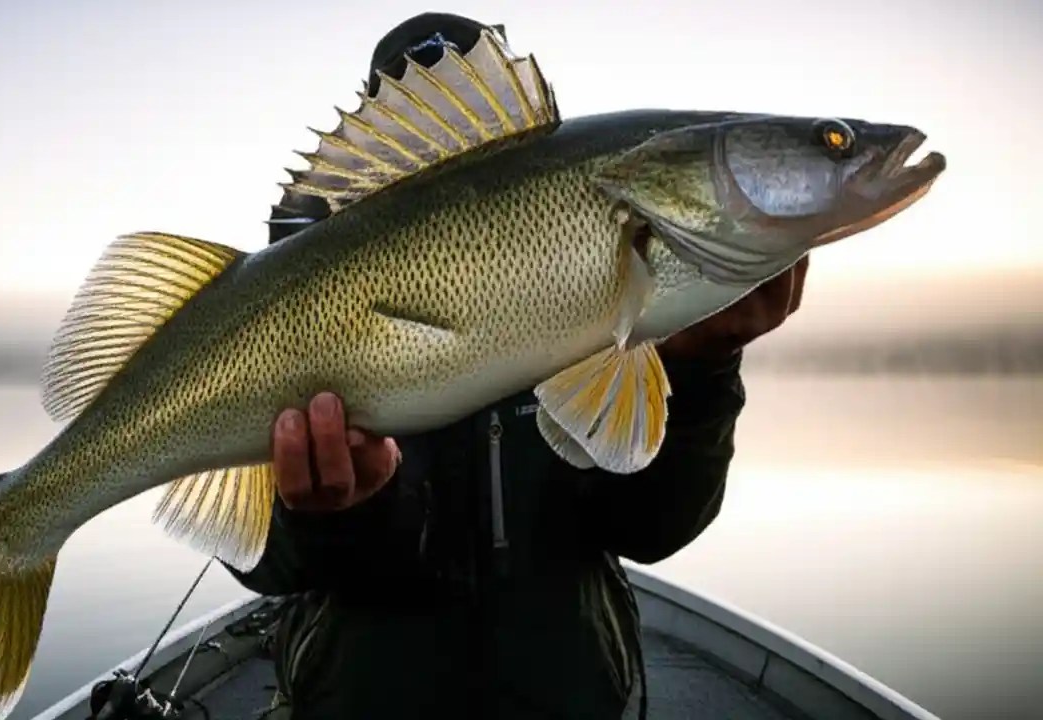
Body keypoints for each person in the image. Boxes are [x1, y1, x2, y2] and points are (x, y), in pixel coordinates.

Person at [225, 12, 810, 720]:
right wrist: (332, 517)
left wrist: (703, 371)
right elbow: (267, 565)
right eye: (417, 108)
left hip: (570, 695)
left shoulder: (612, 290)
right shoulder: (294, 303)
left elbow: (654, 529)